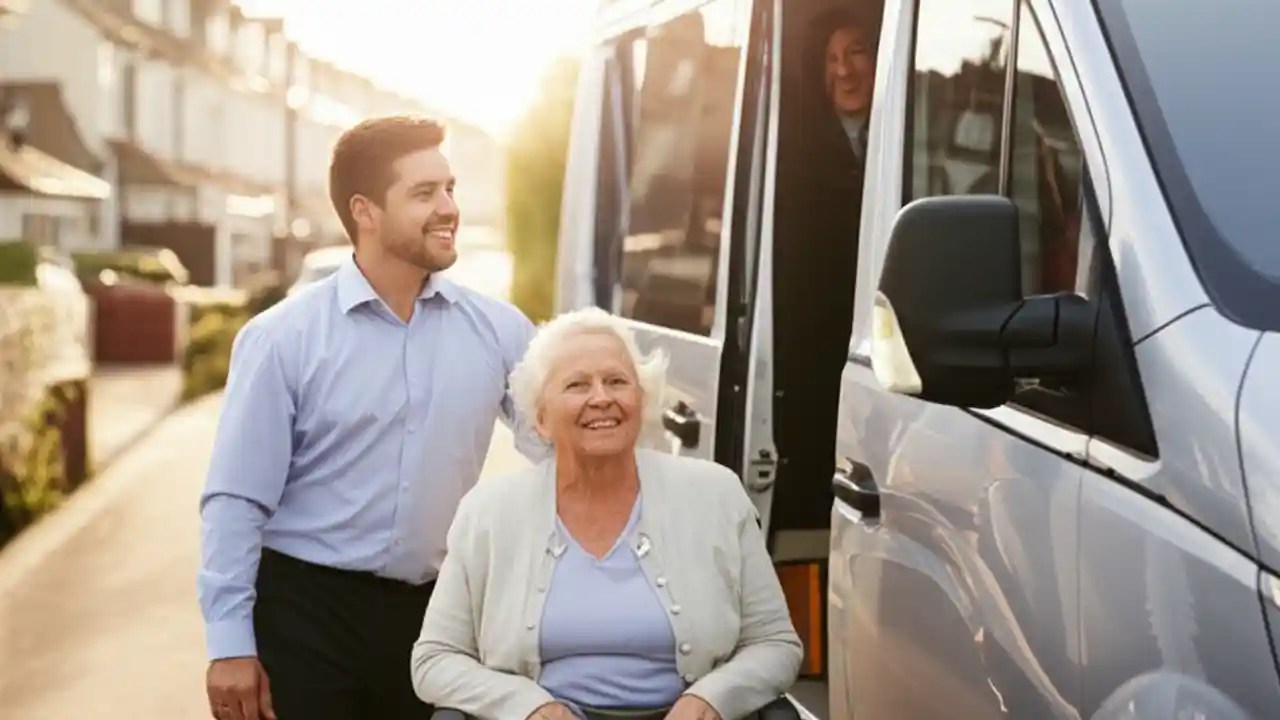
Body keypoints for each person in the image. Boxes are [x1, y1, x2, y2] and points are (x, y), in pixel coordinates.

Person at [198, 116, 545, 720]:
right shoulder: (282, 338)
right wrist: (229, 644)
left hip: (436, 617)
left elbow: (565, 454)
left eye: (450, 188)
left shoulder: (499, 330)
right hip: (306, 617)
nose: (448, 208)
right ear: (365, 211)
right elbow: (236, 500)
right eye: (423, 193)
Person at [410, 307, 804, 720]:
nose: (601, 398)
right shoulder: (488, 513)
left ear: (641, 399)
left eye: (617, 381)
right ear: (541, 419)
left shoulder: (716, 495)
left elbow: (776, 644)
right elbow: (435, 659)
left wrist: (713, 698)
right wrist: (526, 706)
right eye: (577, 385)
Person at [771, 4, 879, 539]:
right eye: (832, 58)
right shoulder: (796, 155)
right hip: (819, 356)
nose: (845, 69)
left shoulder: (909, 134)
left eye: (856, 51)